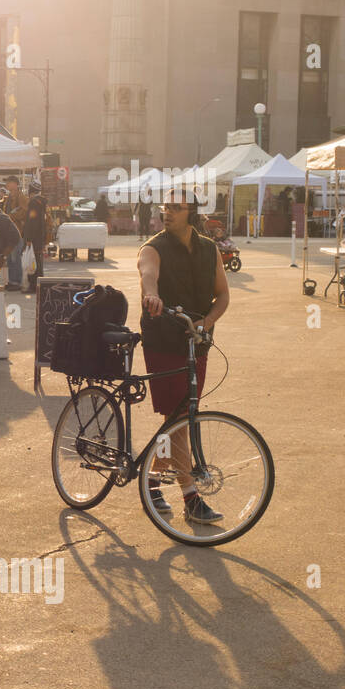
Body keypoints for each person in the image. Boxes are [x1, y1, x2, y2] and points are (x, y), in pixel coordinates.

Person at [137, 188, 230, 525]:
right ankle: (191, 498)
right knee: (179, 419)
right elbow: (148, 275)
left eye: (175, 208)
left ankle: (149, 479)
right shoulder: (153, 247)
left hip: (197, 341)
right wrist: (151, 296)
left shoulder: (209, 249)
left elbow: (222, 295)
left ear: (191, 212)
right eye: (165, 207)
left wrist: (207, 322)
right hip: (163, 340)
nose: (168, 212)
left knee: (182, 415)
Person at [21, 196, 47, 294]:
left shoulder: (33, 205)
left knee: (32, 263)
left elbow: (32, 223)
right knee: (37, 263)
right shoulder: (41, 206)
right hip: (39, 240)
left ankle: (33, 286)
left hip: (33, 241)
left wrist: (28, 239)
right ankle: (40, 285)